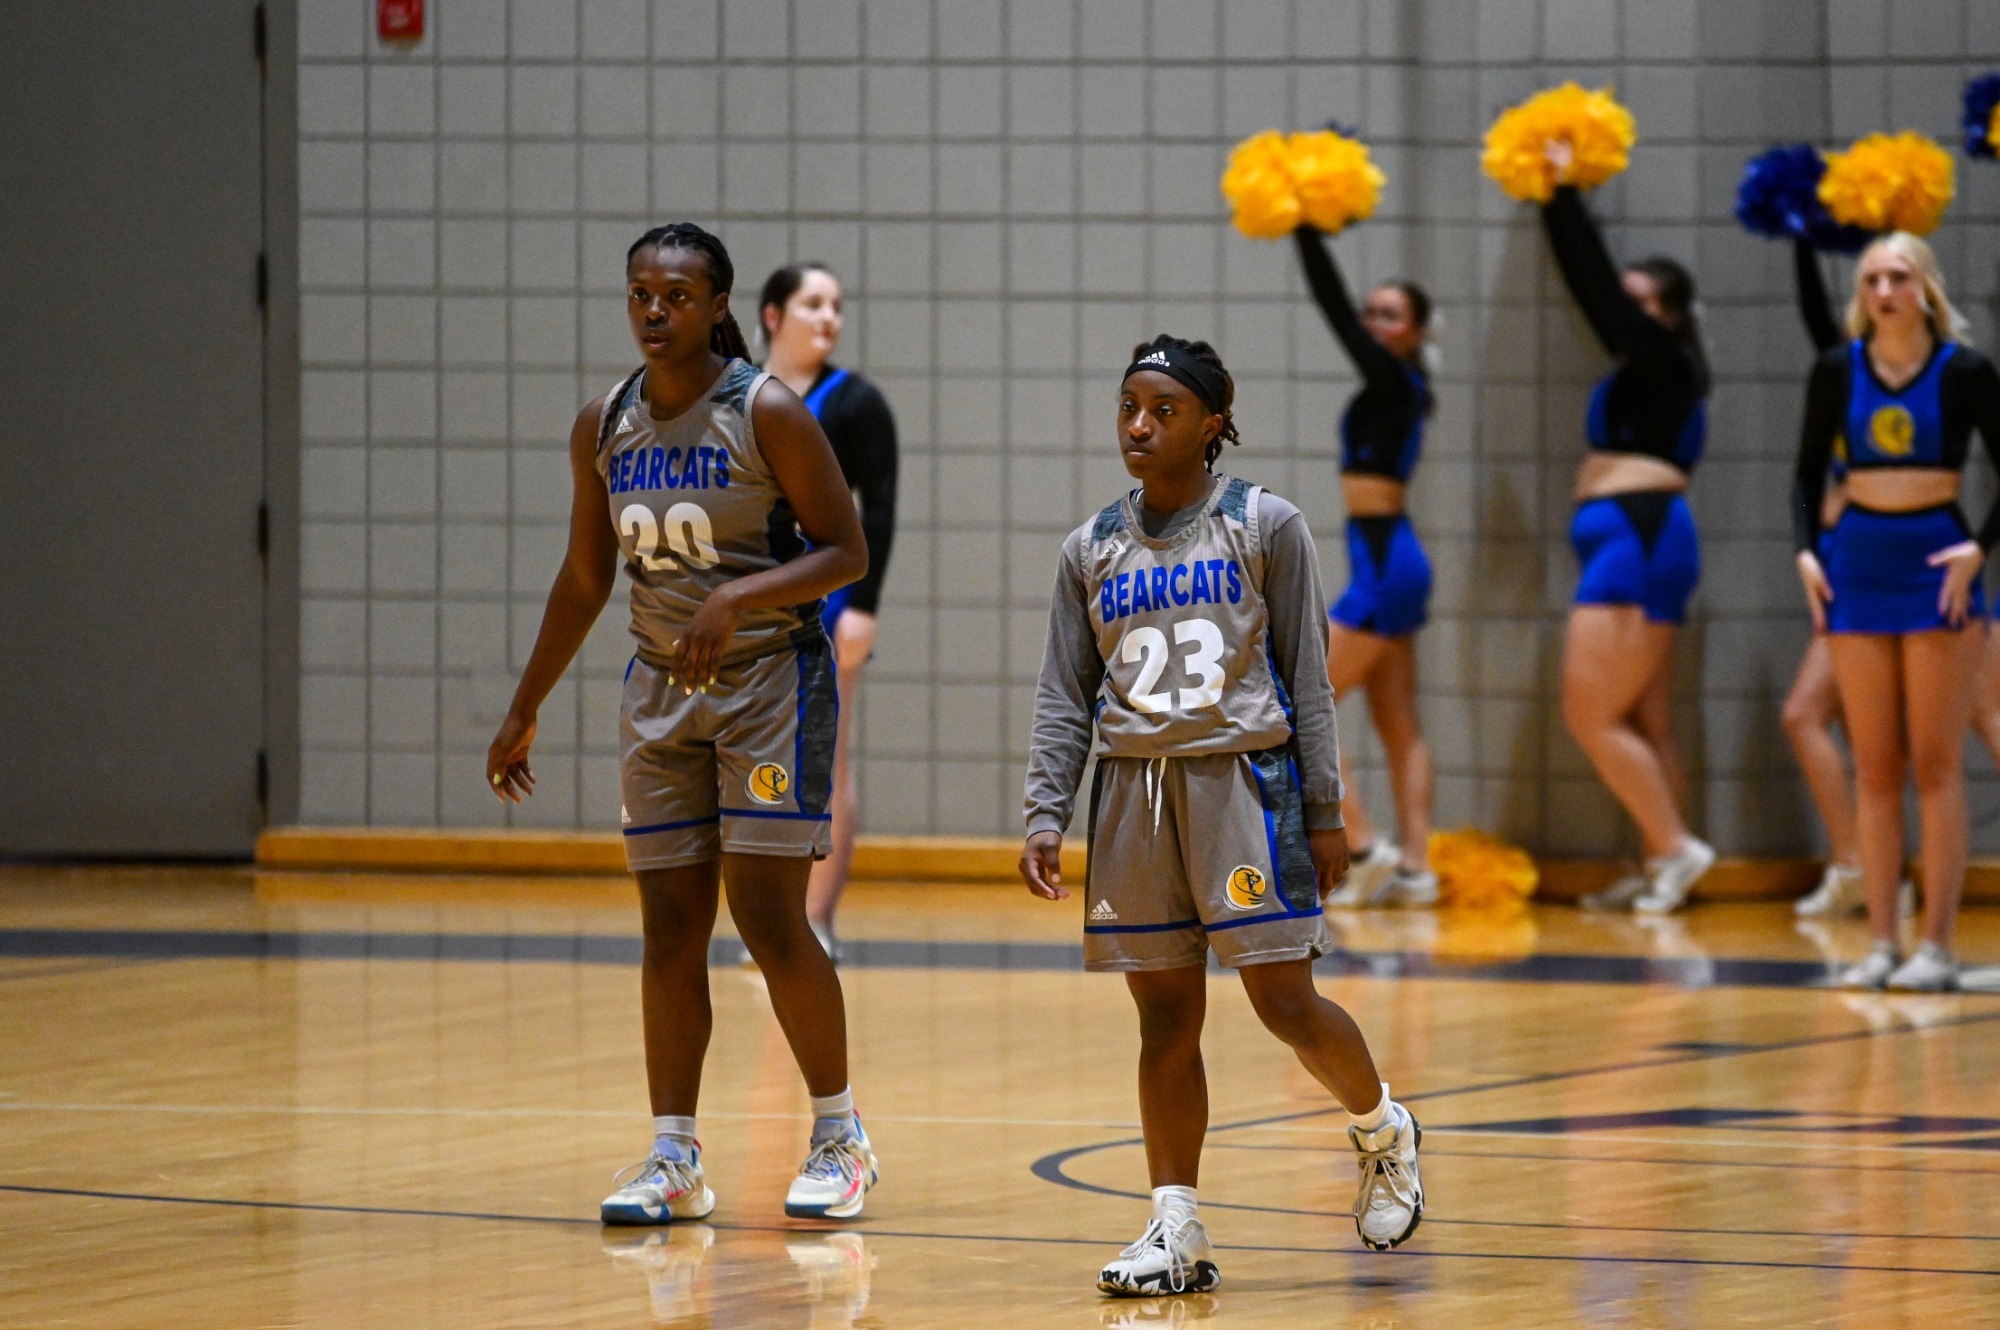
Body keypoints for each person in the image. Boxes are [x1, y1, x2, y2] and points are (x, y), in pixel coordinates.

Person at [487, 222, 880, 1223]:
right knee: (667, 927)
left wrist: (735, 601)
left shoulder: (768, 411)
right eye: (638, 295)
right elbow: (586, 577)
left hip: (767, 686)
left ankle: (840, 1136)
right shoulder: (605, 422)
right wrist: (525, 703)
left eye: (675, 295)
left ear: (717, 306)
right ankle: (673, 1156)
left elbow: (845, 551)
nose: (654, 311)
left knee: (765, 915)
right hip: (659, 691)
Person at [1021, 335, 1424, 1296]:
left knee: (1282, 999)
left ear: (1211, 421)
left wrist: (1325, 809)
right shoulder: (1090, 547)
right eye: (1128, 406)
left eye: (1162, 409)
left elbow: (1310, 681)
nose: (1139, 425)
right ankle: (1176, 1226)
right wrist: (1045, 810)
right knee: (1164, 1019)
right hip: (1132, 795)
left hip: (1246, 788)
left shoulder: (1265, 524)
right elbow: (1063, 695)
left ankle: (1382, 1130)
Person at [1792, 232, 2000, 990]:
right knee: (1875, 769)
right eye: (1874, 278)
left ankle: (1936, 947)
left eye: (1900, 277)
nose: (1885, 290)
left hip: (1938, 566)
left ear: (1926, 290)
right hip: (1858, 565)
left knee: (1936, 762)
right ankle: (1882, 943)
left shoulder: (1965, 372)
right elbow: (1806, 472)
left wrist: (1979, 548)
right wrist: (1807, 552)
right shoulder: (1835, 370)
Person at [1540, 145, 1716, 914]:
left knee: (1589, 711)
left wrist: (1565, 191)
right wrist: (1555, 200)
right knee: (1645, 716)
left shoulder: (1670, 364)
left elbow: (1596, 293)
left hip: (1639, 543)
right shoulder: (1641, 370)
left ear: (1671, 316)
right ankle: (1659, 865)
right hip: (1637, 539)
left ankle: (1677, 848)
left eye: (1643, 302)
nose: (1625, 310)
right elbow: (1594, 294)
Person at [1292, 224, 1439, 908]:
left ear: (1413, 332)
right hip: (1390, 556)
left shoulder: (1393, 380)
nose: (1375, 324)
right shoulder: (1395, 384)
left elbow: (1330, 306)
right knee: (1398, 722)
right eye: (1371, 312)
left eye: (1390, 315)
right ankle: (1417, 867)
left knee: (1302, 702)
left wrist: (1303, 229)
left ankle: (1366, 844)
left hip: (1386, 564)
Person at [757, 263, 899, 955]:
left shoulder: (856, 403)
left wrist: (863, 608)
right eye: (812, 304)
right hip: (752, 597)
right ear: (772, 316)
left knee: (826, 760)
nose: (828, 318)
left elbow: (883, 507)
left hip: (828, 600)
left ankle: (812, 921)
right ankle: (766, 918)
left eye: (836, 306)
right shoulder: (737, 396)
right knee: (753, 761)